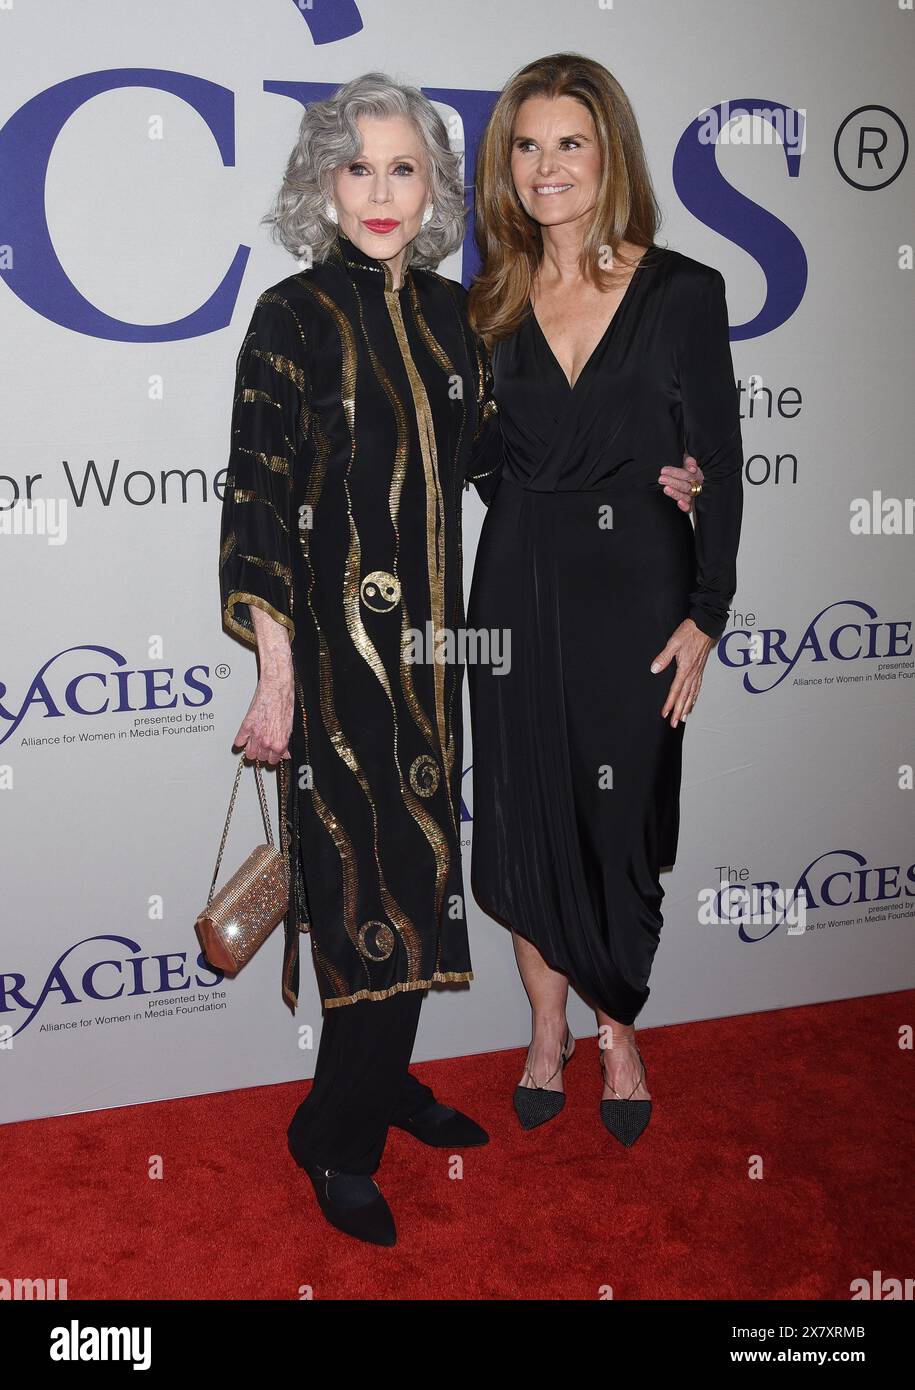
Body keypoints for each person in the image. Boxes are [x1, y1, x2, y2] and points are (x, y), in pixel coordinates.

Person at [218, 73, 502, 1246]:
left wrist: (649, 478)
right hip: (335, 670)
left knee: (424, 878)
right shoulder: (289, 317)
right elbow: (255, 497)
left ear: (434, 185)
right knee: (358, 897)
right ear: (321, 181)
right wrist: (274, 671)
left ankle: (380, 1086)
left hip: (436, 663)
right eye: (357, 166)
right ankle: (332, 1138)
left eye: (404, 168)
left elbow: (510, 458)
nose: (381, 192)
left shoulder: (456, 315)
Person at [466, 53, 743, 1146]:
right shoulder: (487, 301)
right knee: (530, 818)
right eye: (526, 146)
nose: (547, 168)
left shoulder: (683, 292)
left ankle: (617, 1021)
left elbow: (718, 456)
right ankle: (547, 1027)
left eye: (568, 143)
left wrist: (708, 609)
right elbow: (483, 459)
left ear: (610, 152)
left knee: (617, 821)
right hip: (520, 579)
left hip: (638, 591)